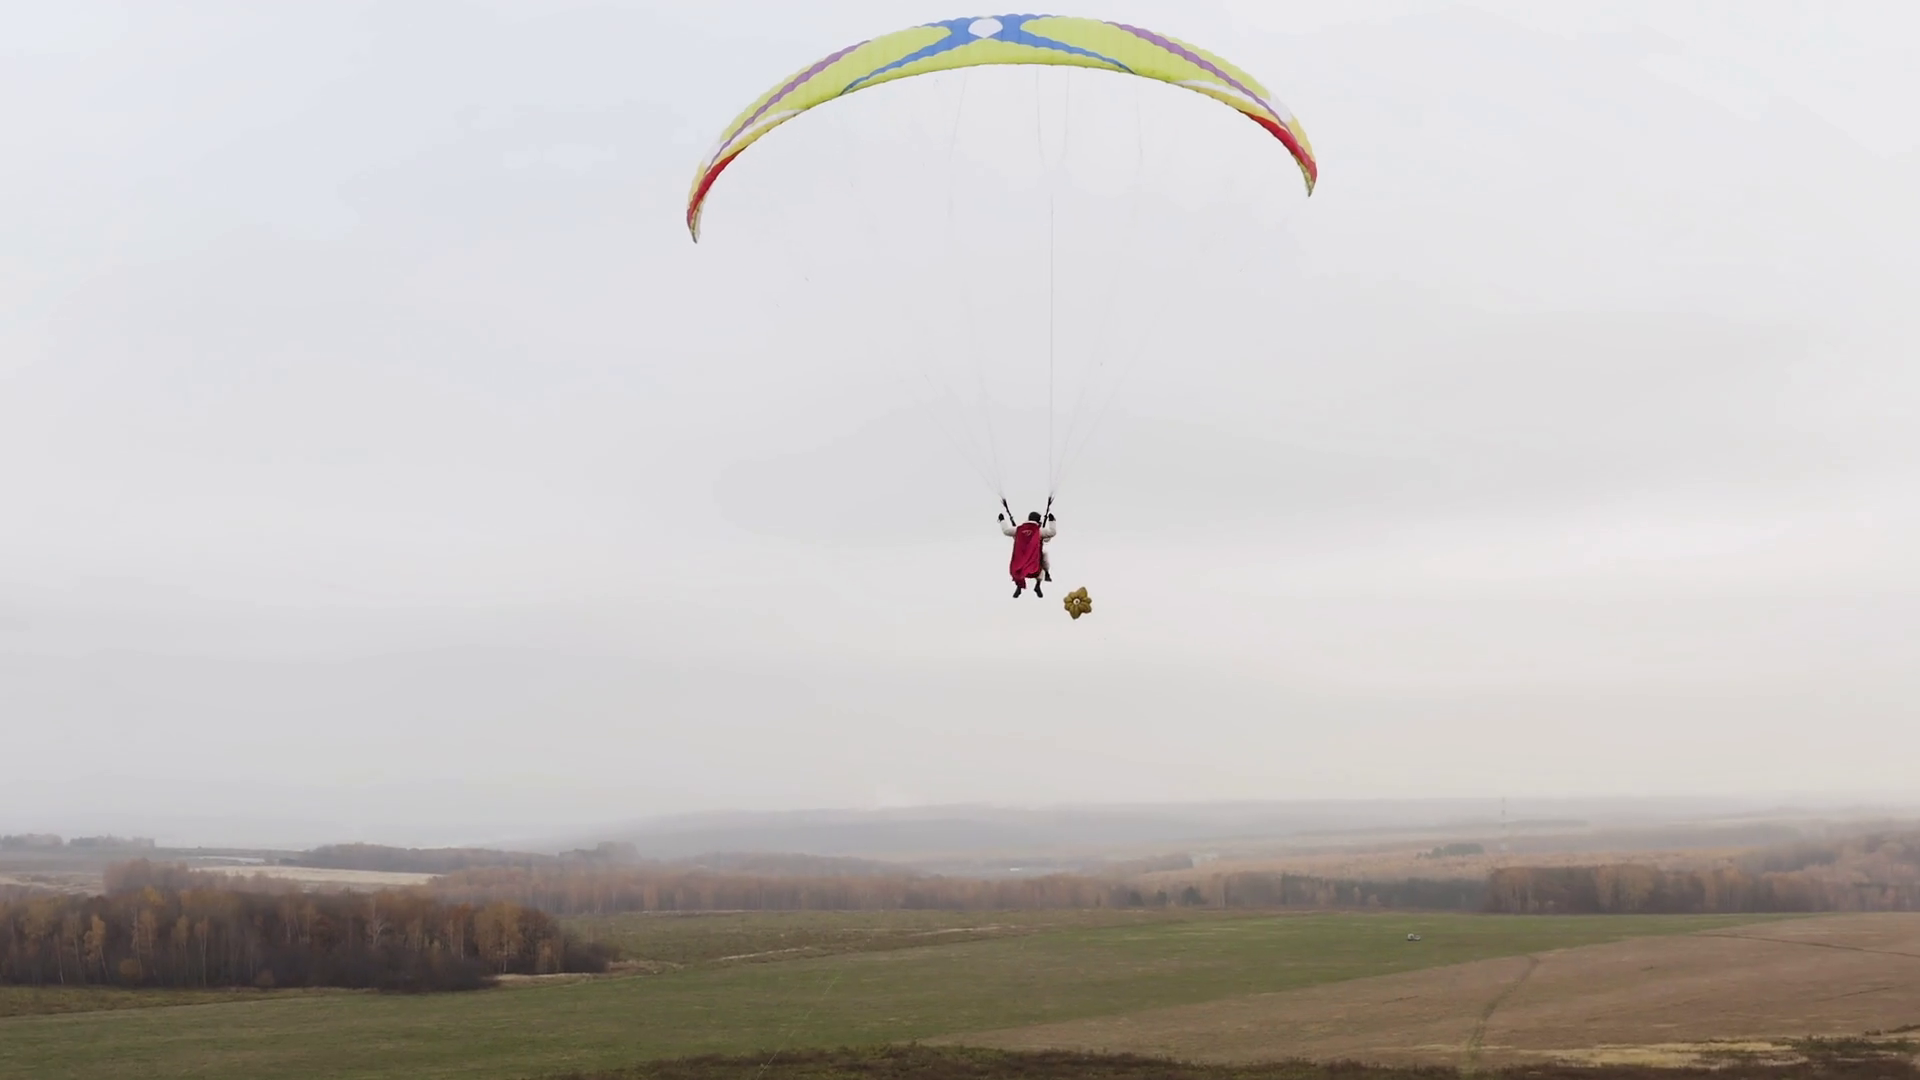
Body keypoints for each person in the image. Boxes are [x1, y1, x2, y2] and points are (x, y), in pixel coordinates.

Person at [999, 510, 1057, 598]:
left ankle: (1019, 586)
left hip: (1021, 561)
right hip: (1034, 562)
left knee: (1019, 570)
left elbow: (1006, 531)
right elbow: (1052, 533)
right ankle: (1042, 579)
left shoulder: (1019, 529)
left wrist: (1002, 520)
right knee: (1043, 557)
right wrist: (1052, 521)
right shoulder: (1039, 531)